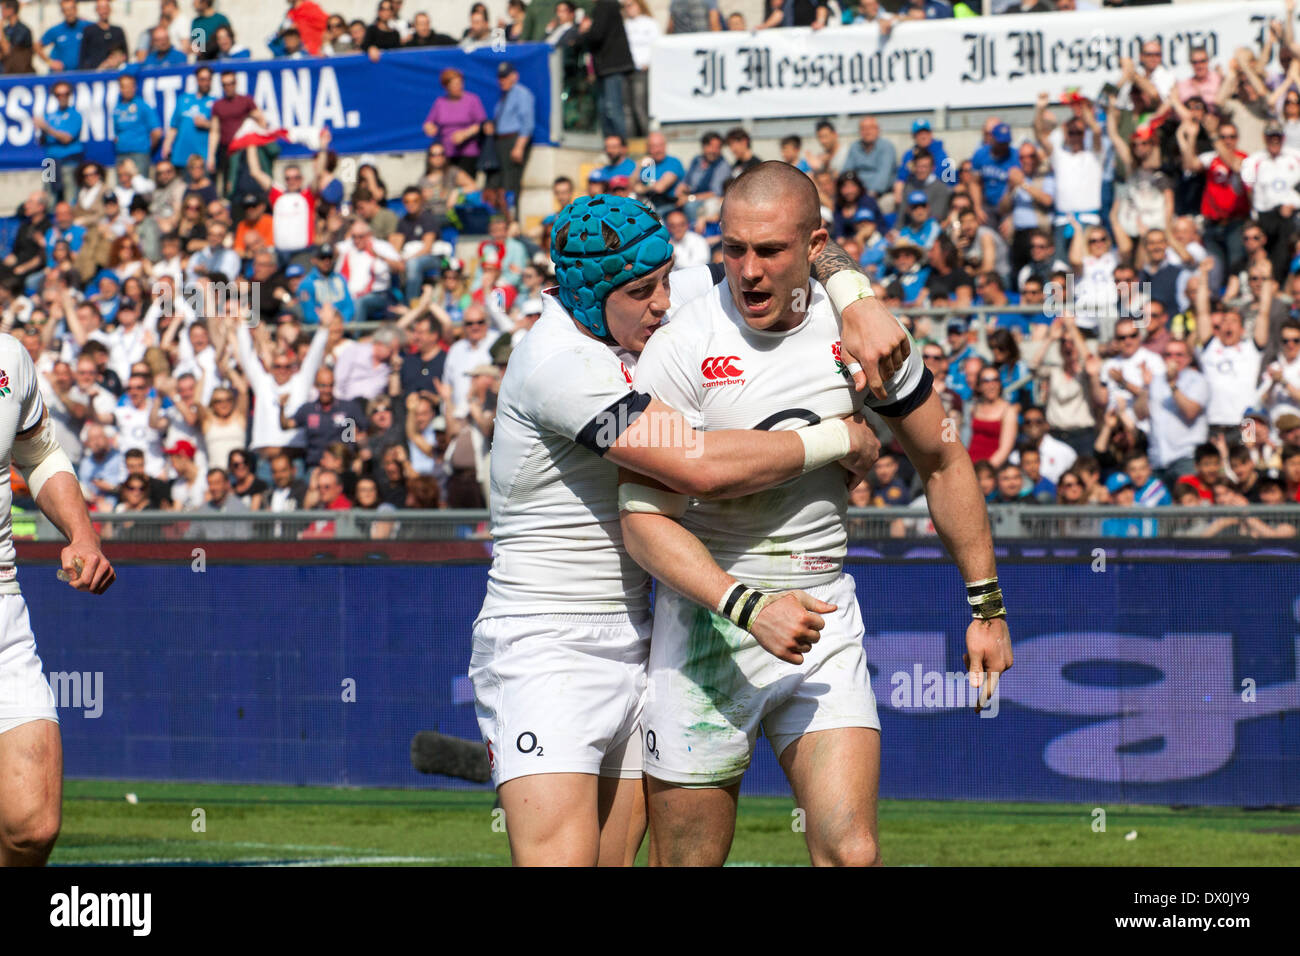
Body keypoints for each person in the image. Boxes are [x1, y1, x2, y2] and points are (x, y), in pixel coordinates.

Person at [469, 189, 911, 867]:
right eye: (642, 290)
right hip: (546, 642)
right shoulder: (564, 367)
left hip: (633, 637)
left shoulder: (619, 336)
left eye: (665, 281)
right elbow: (696, 465)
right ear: (591, 295)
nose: (662, 303)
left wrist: (854, 293)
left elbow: (798, 246)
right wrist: (838, 437)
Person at [620, 162, 1009, 866]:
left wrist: (986, 605)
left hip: (823, 613)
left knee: (850, 852)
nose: (749, 270)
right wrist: (745, 606)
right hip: (708, 621)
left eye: (769, 251)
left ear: (814, 248)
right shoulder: (681, 347)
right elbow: (644, 518)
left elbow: (944, 461)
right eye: (732, 248)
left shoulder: (863, 334)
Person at [0, 331, 117, 866]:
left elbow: (40, 451)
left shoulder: (9, 357)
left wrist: (82, 534)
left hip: (2, 601)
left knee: (34, 823)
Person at [574, 0, 635, 140]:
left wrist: (582, 34)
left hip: (612, 66)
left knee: (612, 109)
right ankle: (611, 147)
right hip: (605, 68)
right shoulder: (604, 6)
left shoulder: (605, 5)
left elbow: (597, 34)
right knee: (605, 110)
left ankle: (622, 147)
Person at [486, 62, 535, 217]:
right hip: (501, 142)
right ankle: (502, 218)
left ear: (514, 76)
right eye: (500, 77)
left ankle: (512, 219)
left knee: (511, 184)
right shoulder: (503, 97)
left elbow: (527, 123)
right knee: (499, 183)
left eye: (506, 77)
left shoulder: (522, 94)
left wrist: (519, 147)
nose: (502, 80)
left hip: (513, 141)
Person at [422, 68, 488, 181]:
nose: (458, 87)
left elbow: (482, 124)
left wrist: (465, 134)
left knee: (465, 189)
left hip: (468, 153)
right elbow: (429, 122)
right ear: (446, 87)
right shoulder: (440, 102)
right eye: (454, 84)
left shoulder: (472, 100)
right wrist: (429, 127)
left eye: (459, 83)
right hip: (447, 153)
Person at [32, 83, 82, 204]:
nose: (62, 97)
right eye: (59, 94)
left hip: (69, 161)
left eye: (65, 94)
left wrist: (47, 128)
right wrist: (40, 130)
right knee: (49, 198)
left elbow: (67, 138)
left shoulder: (75, 115)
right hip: (51, 162)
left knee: (70, 197)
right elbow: (41, 142)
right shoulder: (49, 116)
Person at [111, 74, 161, 175]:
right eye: (124, 86)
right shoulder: (117, 108)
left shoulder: (143, 106)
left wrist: (145, 147)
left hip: (139, 154)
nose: (127, 89)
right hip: (121, 154)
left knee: (140, 186)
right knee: (121, 189)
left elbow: (157, 132)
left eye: (130, 86)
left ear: (135, 87)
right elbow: (116, 132)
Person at [36, 0, 92, 73]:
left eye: (71, 9)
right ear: (62, 12)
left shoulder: (86, 26)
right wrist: (50, 62)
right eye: (65, 10)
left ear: (76, 9)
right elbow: (37, 46)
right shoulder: (56, 30)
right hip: (61, 75)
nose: (69, 13)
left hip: (81, 74)